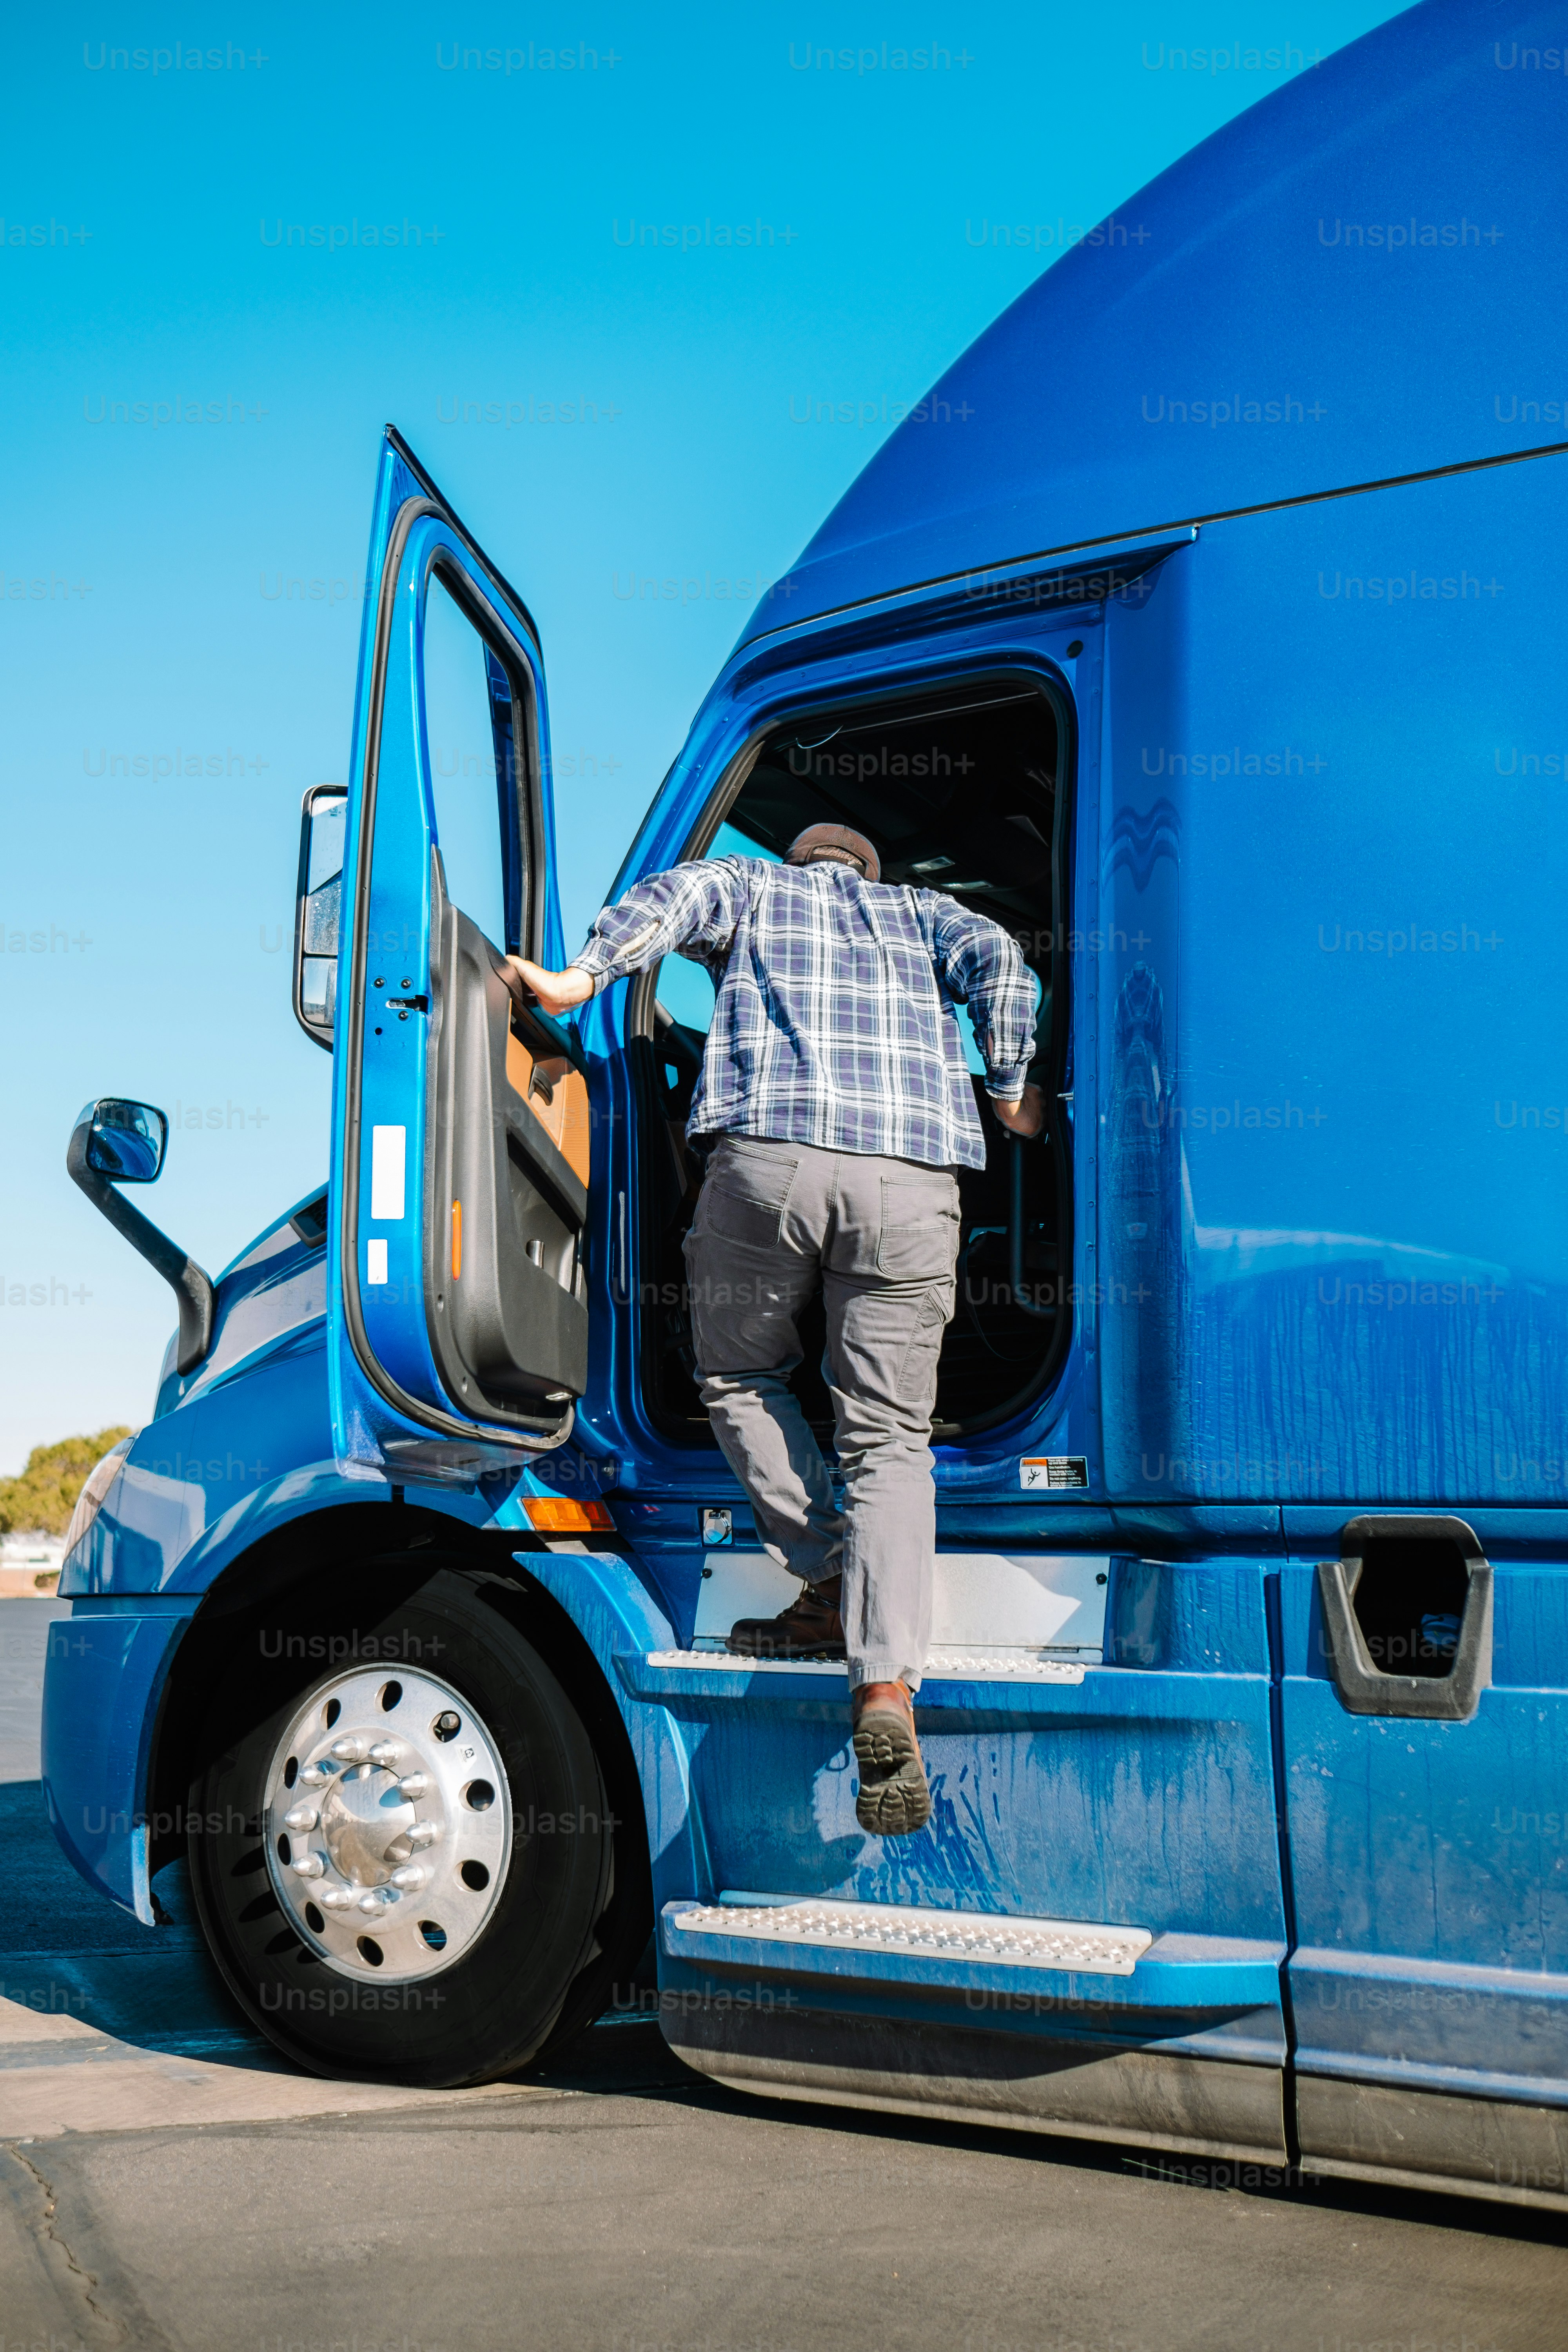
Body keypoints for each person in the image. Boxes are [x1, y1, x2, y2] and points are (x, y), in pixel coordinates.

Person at [510, 821, 1043, 1838]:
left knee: (740, 1376)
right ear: (870, 871)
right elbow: (1003, 966)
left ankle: (827, 1567)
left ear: (801, 862)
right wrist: (1011, 1091)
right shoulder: (923, 912)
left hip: (769, 1165)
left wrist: (581, 980)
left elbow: (668, 901)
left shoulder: (751, 889)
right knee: (891, 1440)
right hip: (910, 1178)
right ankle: (884, 1686)